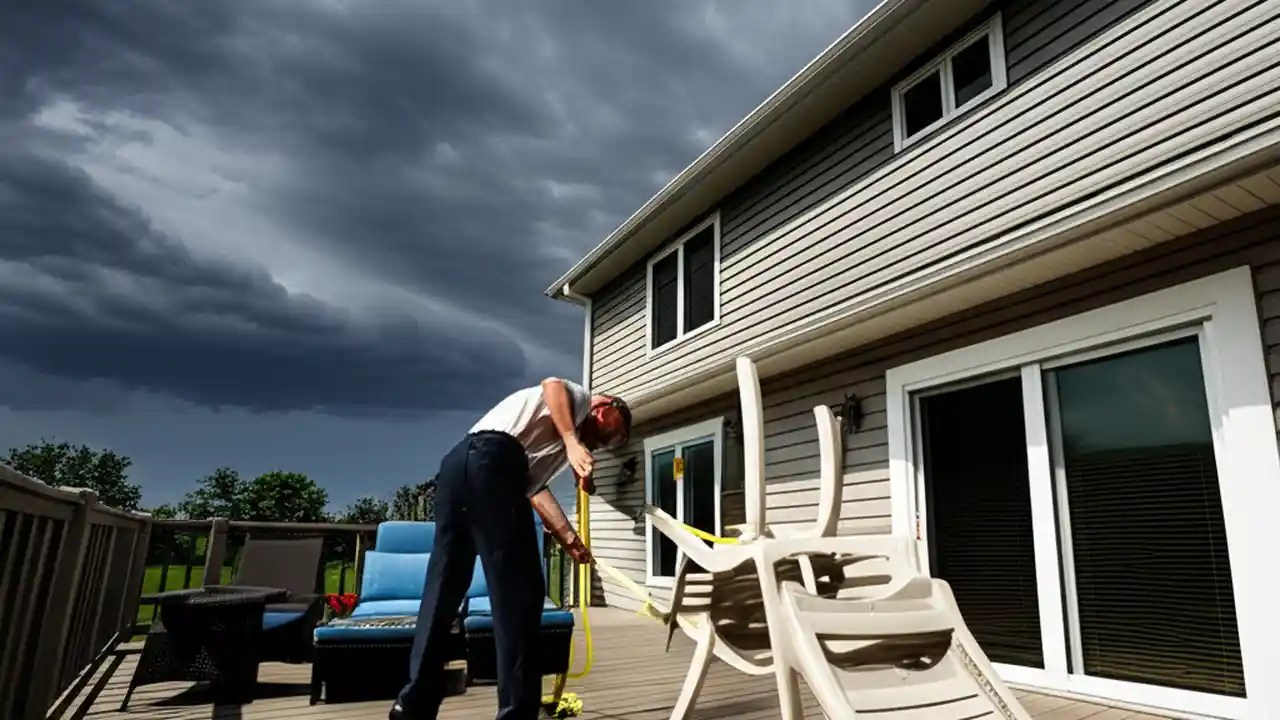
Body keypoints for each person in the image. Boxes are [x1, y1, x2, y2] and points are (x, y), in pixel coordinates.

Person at [390, 377, 632, 720]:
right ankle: (516, 713)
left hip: (457, 470)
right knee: (521, 595)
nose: (606, 443)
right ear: (604, 405)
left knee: (444, 589)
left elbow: (532, 489)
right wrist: (571, 441)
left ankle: (412, 706)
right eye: (611, 433)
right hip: (490, 462)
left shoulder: (554, 448)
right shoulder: (579, 399)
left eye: (611, 444)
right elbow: (552, 385)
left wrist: (569, 540)